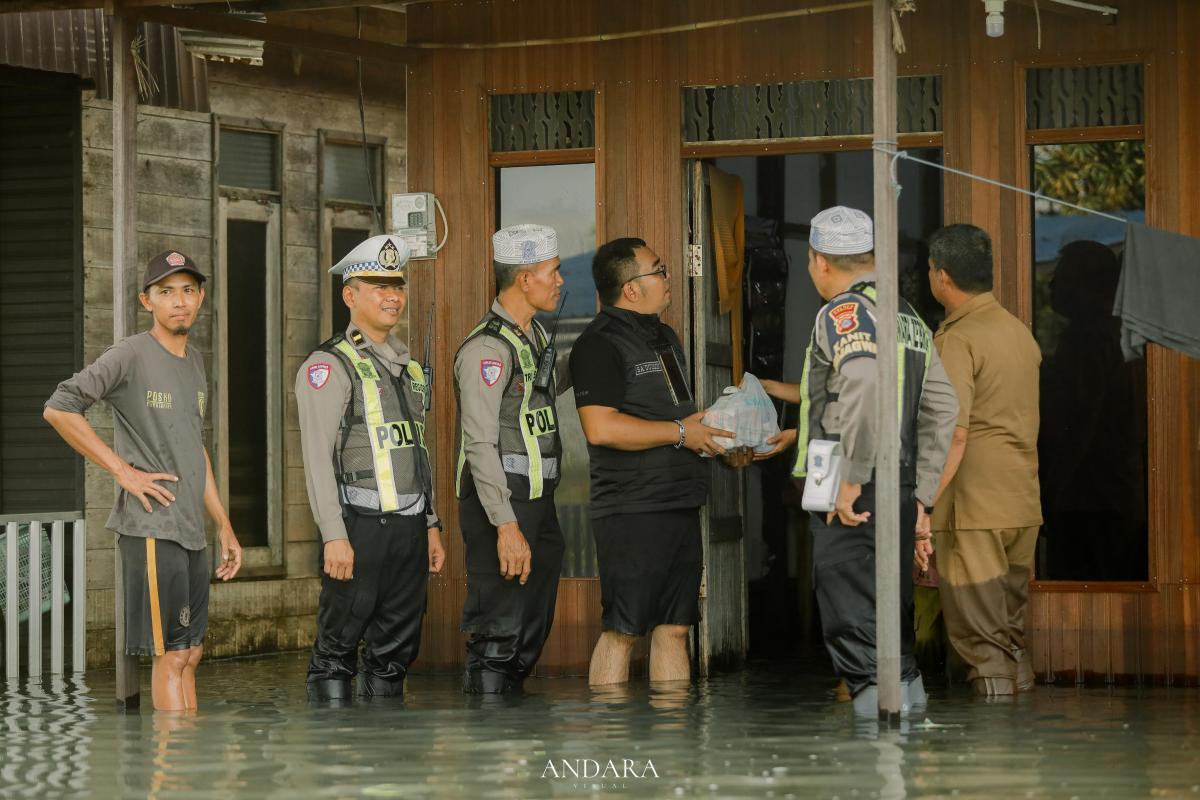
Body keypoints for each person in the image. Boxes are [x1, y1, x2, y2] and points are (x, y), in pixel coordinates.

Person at [759, 207, 958, 715]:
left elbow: (866, 386)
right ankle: (907, 758)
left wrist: (849, 479)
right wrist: (923, 499)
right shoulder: (909, 316)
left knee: (861, 645)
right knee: (894, 645)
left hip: (853, 493)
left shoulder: (843, 313)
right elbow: (943, 409)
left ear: (820, 261)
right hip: (899, 489)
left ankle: (875, 770)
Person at [43, 251, 242, 712]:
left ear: (201, 298)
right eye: (166, 292)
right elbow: (58, 406)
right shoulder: (130, 353)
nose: (179, 301)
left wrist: (223, 525)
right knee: (171, 656)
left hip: (192, 530)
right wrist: (122, 470)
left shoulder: (195, 362)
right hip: (152, 528)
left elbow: (196, 448)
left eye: (188, 290)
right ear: (146, 300)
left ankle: (183, 774)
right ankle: (165, 780)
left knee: (190, 655)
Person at [569, 237, 735, 686]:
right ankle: (612, 744)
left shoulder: (664, 335)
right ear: (631, 288)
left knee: (675, 628)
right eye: (658, 270)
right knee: (624, 629)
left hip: (678, 498)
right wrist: (684, 433)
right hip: (631, 508)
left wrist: (714, 435)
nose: (668, 279)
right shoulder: (597, 344)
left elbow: (677, 417)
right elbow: (601, 428)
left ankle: (673, 746)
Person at [296, 234, 445, 702]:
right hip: (358, 529)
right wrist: (332, 534)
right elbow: (317, 457)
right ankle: (335, 764)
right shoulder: (328, 364)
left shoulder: (407, 367)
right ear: (350, 295)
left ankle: (388, 763)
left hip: (408, 530)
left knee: (395, 656)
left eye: (397, 285)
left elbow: (417, 451)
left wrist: (431, 523)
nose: (392, 295)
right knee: (336, 653)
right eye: (377, 285)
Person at [924, 224, 1043, 696]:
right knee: (1010, 638)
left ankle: (992, 759)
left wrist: (925, 503)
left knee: (982, 642)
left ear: (942, 277)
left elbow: (953, 432)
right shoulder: (1018, 333)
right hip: (1020, 504)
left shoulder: (958, 339)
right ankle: (1019, 736)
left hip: (974, 509)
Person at [453, 223, 566, 694]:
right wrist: (505, 525)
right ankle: (490, 749)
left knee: (527, 631)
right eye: (552, 272)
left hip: (537, 501)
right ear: (524, 279)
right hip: (501, 506)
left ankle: (516, 748)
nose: (560, 281)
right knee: (498, 635)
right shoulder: (486, 349)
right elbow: (479, 443)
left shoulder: (534, 336)